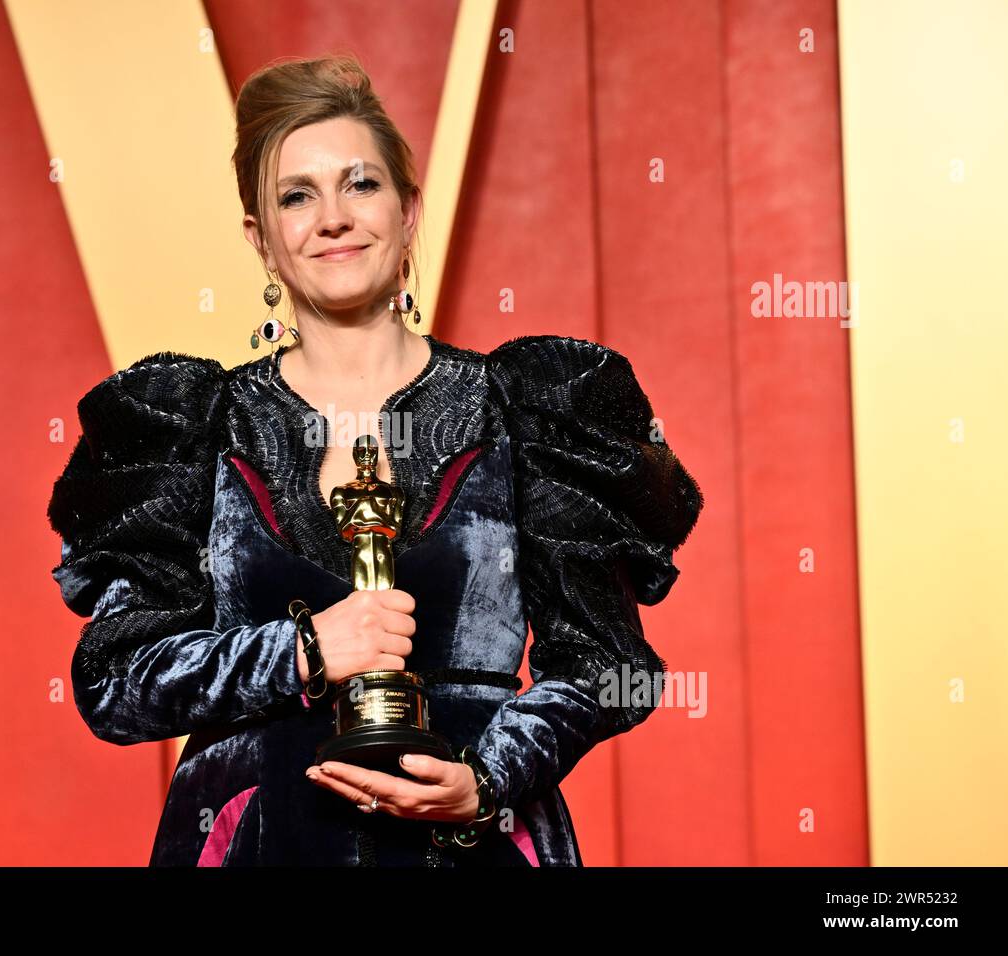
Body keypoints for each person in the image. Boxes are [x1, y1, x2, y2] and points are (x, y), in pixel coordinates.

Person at [45, 55, 704, 866]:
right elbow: (115, 684)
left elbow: (611, 671)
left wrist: (489, 777)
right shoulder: (192, 427)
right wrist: (301, 651)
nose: (333, 219)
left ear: (408, 208)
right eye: (297, 195)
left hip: (475, 843)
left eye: (361, 185)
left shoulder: (526, 411)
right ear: (262, 240)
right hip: (255, 844)